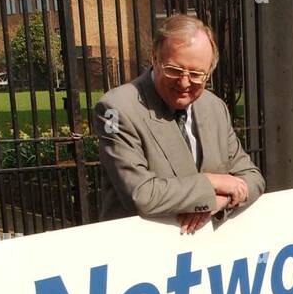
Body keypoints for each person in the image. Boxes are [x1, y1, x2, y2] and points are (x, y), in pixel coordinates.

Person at [93, 14, 265, 234]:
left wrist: (217, 202)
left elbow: (252, 178)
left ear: (208, 72)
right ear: (155, 58)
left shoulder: (215, 107)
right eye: (174, 70)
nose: (184, 83)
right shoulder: (116, 109)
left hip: (204, 258)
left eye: (196, 74)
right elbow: (141, 194)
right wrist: (210, 183)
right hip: (139, 253)